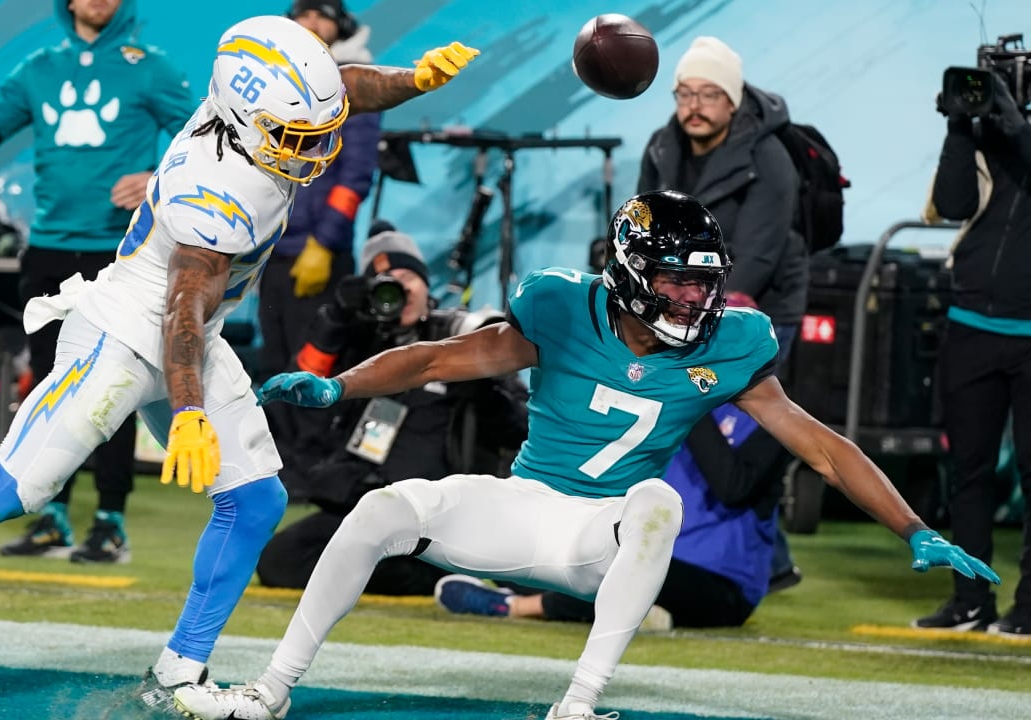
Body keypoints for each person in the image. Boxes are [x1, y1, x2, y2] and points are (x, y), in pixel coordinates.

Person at [0, 14, 480, 713]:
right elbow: (183, 313)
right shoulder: (219, 189)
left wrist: (413, 77)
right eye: (297, 137)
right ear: (247, 118)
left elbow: (345, 89)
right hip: (127, 331)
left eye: (312, 133)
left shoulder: (246, 111)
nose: (311, 151)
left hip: (188, 330)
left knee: (255, 499)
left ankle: (178, 671)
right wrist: (190, 412)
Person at [172, 190, 998, 720]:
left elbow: (822, 447)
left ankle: (579, 704)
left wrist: (911, 527)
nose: (693, 297)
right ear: (632, 273)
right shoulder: (563, 308)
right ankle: (271, 687)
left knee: (660, 503)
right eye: (675, 281)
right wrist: (334, 388)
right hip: (528, 508)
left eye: (701, 280)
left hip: (604, 536)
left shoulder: (735, 344)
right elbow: (430, 360)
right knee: (383, 508)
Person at [0, 0, 197, 563]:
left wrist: (157, 177)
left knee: (113, 389)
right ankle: (51, 516)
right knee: (47, 386)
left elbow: (203, 143)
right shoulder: (41, 66)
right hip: (48, 250)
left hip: (119, 251)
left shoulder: (150, 66)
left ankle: (110, 519)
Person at [256, 228, 528, 595]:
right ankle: (424, 574)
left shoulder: (460, 341)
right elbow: (302, 391)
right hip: (375, 509)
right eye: (386, 284)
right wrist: (333, 320)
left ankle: (428, 568)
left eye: (407, 279)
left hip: (446, 514)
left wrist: (484, 387)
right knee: (279, 559)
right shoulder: (363, 346)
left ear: (426, 284)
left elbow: (519, 429)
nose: (399, 291)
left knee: (546, 580)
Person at [636, 36, 806, 591]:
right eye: (685, 92)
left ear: (732, 100)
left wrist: (699, 310)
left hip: (756, 310)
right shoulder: (663, 148)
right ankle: (715, 550)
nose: (694, 105)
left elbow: (758, 253)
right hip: (685, 303)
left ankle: (763, 558)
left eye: (708, 93)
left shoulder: (769, 158)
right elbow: (642, 225)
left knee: (751, 433)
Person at [435, 400, 788, 628]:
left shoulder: (774, 418)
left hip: (720, 584)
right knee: (529, 549)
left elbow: (734, 486)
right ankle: (641, 614)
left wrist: (692, 403)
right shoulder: (664, 405)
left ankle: (516, 607)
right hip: (648, 555)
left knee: (621, 568)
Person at [915, 71, 1031, 637]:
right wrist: (962, 125)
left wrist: (1019, 130)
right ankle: (970, 600)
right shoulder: (990, 136)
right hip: (971, 327)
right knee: (968, 473)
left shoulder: (1015, 136)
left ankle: (1030, 605)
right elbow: (954, 202)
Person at [257, 0, 381, 382]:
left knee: (315, 369)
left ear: (341, 25)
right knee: (274, 362)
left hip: (319, 256)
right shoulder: (271, 78)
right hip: (270, 250)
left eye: (321, 16)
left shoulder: (357, 81)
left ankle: (312, 445)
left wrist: (324, 244)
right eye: (303, 15)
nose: (311, 23)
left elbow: (355, 177)